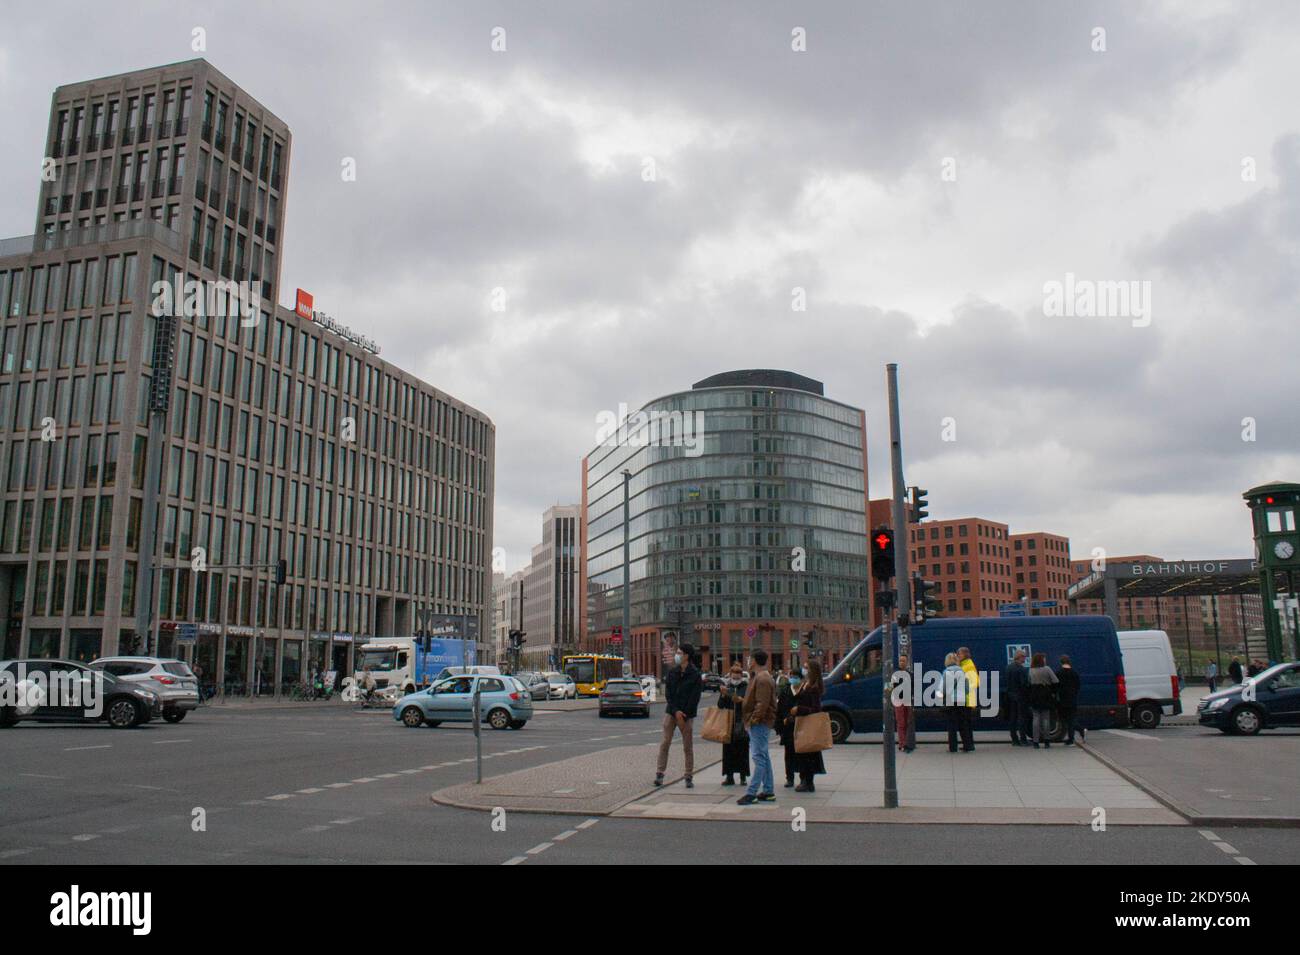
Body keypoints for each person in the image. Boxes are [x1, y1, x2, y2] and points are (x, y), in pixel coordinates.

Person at [655, 642, 702, 788]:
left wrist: (684, 714)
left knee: (687, 746)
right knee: (665, 743)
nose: (677, 655)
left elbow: (695, 698)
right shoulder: (672, 672)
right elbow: (669, 694)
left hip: (687, 715)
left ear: (687, 656)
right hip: (672, 712)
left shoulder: (695, 674)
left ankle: (688, 776)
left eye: (680, 653)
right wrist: (676, 711)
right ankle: (660, 773)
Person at [737, 649, 777, 805]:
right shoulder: (760, 677)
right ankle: (768, 791)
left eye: (749, 659)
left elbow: (762, 703)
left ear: (754, 660)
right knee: (764, 757)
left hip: (759, 723)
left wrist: (753, 720)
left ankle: (751, 793)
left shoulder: (762, 679)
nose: (748, 661)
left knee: (758, 758)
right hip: (759, 722)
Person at [789, 659, 827, 792]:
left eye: (806, 668)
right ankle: (803, 779)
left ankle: (808, 782)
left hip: (808, 724)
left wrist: (799, 709)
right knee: (802, 752)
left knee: (808, 753)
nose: (804, 670)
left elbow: (816, 709)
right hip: (802, 723)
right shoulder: (805, 684)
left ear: (812, 671)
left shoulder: (814, 688)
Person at [716, 663, 749, 787]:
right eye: (733, 678)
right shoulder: (727, 687)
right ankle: (729, 776)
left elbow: (750, 703)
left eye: (737, 678)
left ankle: (743, 776)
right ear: (730, 676)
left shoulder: (746, 687)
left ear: (741, 676)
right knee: (728, 750)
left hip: (741, 722)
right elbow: (720, 705)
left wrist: (741, 700)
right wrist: (724, 695)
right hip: (729, 722)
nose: (735, 680)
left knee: (742, 750)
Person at [1027, 652, 1059, 748]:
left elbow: (1028, 682)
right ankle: (1046, 740)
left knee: (1036, 718)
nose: (1045, 660)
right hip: (1045, 694)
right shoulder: (1047, 669)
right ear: (1041, 660)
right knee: (1045, 718)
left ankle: (1036, 742)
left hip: (1034, 694)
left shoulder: (1030, 670)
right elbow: (1055, 680)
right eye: (1044, 658)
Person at [776, 670, 799, 788]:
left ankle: (803, 777)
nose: (793, 678)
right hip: (787, 727)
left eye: (796, 676)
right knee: (789, 753)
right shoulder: (785, 691)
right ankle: (789, 778)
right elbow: (780, 709)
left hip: (800, 727)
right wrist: (781, 723)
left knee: (801, 753)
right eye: (792, 676)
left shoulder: (802, 690)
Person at [1054, 654, 1084, 744]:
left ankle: (1074, 734)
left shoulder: (1058, 673)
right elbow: (1078, 686)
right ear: (1069, 662)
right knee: (1071, 718)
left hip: (1062, 699)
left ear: (1061, 662)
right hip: (1072, 698)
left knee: (1064, 719)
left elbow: (1056, 686)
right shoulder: (1074, 673)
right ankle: (1073, 736)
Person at [891, 654, 915, 753]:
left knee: (907, 722)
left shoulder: (910, 674)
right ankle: (902, 744)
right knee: (901, 723)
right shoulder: (895, 674)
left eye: (903, 661)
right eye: (900, 661)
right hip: (899, 700)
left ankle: (906, 743)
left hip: (907, 700)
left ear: (907, 662)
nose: (902, 662)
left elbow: (913, 687)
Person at [1003, 650, 1029, 746]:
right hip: (1020, 696)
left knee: (1012, 718)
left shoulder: (1008, 667)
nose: (1025, 659)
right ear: (1020, 657)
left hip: (1010, 695)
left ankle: (1014, 739)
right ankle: (1023, 739)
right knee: (1022, 718)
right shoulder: (1021, 669)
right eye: (1024, 657)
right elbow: (1023, 684)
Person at [942, 653, 965, 752]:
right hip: (961, 699)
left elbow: (943, 688)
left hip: (950, 700)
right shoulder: (962, 671)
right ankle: (967, 745)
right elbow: (967, 687)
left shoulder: (946, 672)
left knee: (951, 725)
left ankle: (953, 747)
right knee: (962, 723)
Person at [957, 646, 979, 752]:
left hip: (966, 699)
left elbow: (974, 682)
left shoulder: (968, 666)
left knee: (964, 723)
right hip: (967, 698)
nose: (958, 655)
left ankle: (968, 745)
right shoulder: (964, 665)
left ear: (965, 654)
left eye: (959, 654)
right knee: (966, 723)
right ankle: (969, 744)